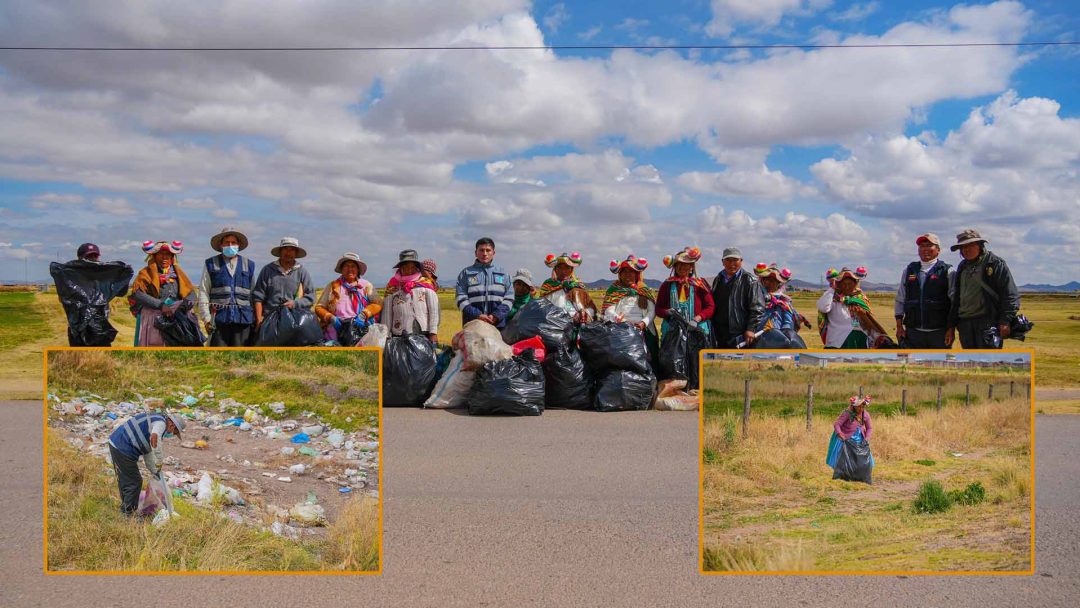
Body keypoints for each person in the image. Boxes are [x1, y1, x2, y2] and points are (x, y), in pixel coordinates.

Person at [947, 229, 1021, 349]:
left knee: (989, 361)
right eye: (962, 247)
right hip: (965, 324)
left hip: (988, 323)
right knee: (971, 361)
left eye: (970, 245)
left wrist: (1005, 321)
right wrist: (951, 325)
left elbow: (1010, 295)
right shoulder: (962, 266)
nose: (966, 249)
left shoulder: (995, 263)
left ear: (980, 245)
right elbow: (957, 298)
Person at [50, 243, 133, 346]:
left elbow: (121, 292)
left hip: (100, 327)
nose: (93, 259)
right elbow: (64, 298)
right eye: (89, 256)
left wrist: (123, 276)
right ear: (80, 258)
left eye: (95, 256)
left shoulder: (103, 276)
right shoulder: (70, 276)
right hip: (78, 328)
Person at [107, 411, 185, 516]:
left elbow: (148, 454)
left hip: (117, 444)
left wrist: (156, 472)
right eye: (174, 432)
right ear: (172, 425)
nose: (172, 434)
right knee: (134, 482)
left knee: (126, 479)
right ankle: (128, 514)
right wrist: (159, 459)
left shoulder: (155, 421)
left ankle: (125, 509)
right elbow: (155, 437)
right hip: (122, 447)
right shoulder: (160, 423)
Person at [129, 240, 198, 346]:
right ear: (154, 256)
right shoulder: (146, 273)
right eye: (161, 254)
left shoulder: (179, 274)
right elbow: (137, 294)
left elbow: (190, 292)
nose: (164, 257)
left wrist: (184, 306)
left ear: (172, 257)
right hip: (153, 318)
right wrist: (160, 305)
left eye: (167, 254)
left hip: (176, 318)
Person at [197, 227, 257, 346]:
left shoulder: (249, 264)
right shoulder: (210, 263)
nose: (230, 245)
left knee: (240, 357)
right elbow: (204, 291)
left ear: (238, 244)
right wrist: (207, 319)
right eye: (227, 242)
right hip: (219, 320)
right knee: (219, 357)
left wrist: (255, 318)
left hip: (243, 320)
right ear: (221, 245)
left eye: (233, 242)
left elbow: (253, 294)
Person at [894, 233, 955, 349]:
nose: (925, 249)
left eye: (929, 245)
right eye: (922, 246)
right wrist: (899, 326)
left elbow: (954, 303)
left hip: (939, 332)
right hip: (913, 332)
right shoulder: (909, 270)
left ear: (938, 250)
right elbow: (900, 299)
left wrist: (951, 329)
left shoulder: (947, 271)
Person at [602, 254, 659, 366]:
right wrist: (618, 319)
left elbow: (652, 311)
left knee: (647, 357)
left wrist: (644, 323)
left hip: (643, 328)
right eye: (624, 272)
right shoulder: (614, 290)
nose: (627, 275)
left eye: (631, 272)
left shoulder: (643, 290)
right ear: (620, 274)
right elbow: (608, 309)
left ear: (637, 274)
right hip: (620, 328)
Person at [314, 252, 382, 345]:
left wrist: (363, 315)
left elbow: (378, 304)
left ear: (358, 270)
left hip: (360, 329)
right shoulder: (333, 286)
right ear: (341, 269)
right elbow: (319, 307)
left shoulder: (366, 285)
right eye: (346, 266)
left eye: (353, 266)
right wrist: (331, 318)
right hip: (336, 331)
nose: (350, 269)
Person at [816, 266, 891, 349]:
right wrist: (832, 289)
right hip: (837, 342)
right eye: (844, 284)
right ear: (838, 284)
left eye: (850, 284)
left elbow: (869, 322)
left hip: (860, 341)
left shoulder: (860, 299)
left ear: (855, 284)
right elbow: (823, 308)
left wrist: (862, 314)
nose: (847, 287)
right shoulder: (832, 298)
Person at [251, 237, 316, 332]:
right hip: (269, 320)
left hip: (295, 321)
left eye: (292, 250)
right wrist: (259, 320)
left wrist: (294, 303)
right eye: (285, 249)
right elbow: (258, 297)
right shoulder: (268, 270)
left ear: (296, 253)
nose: (288, 253)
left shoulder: (302, 272)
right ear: (280, 251)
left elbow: (311, 297)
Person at [709, 247, 765, 348]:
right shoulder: (718, 278)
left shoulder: (750, 281)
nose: (732, 264)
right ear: (722, 262)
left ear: (741, 261)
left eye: (735, 260)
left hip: (739, 332)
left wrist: (751, 329)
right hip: (718, 330)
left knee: (736, 361)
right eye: (728, 260)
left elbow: (757, 308)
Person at [381, 249, 440, 343]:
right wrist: (385, 336)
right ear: (400, 268)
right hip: (398, 334)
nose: (409, 270)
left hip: (423, 333)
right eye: (405, 267)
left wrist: (433, 333)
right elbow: (387, 314)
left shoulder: (425, 283)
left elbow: (434, 310)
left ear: (417, 268)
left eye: (412, 267)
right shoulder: (392, 286)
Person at [455, 237, 512, 329]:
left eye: (488, 250)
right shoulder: (465, 273)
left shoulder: (504, 274)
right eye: (481, 250)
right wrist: (477, 315)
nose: (484, 254)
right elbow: (460, 298)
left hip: (498, 325)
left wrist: (496, 316)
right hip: (473, 324)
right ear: (475, 253)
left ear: (493, 253)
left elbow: (509, 298)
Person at [753, 263, 810, 347]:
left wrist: (785, 335)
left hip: (779, 339)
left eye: (773, 281)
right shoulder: (755, 298)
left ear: (778, 283)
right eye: (767, 279)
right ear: (762, 281)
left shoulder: (784, 302)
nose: (769, 283)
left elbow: (787, 322)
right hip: (758, 338)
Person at [538, 252, 597, 323]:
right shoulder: (548, 285)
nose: (563, 271)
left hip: (577, 326)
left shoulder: (578, 286)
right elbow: (541, 307)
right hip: (554, 325)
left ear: (571, 270)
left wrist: (583, 313)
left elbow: (591, 309)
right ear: (555, 270)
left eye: (567, 268)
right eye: (560, 268)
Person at [826, 395, 874, 483]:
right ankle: (844, 475)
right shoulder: (847, 413)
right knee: (844, 458)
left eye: (862, 406)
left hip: (860, 438)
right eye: (859, 407)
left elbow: (869, 428)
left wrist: (867, 438)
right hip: (846, 438)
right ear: (854, 406)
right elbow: (837, 425)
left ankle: (858, 475)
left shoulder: (866, 415)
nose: (861, 408)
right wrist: (840, 434)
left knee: (861, 458)